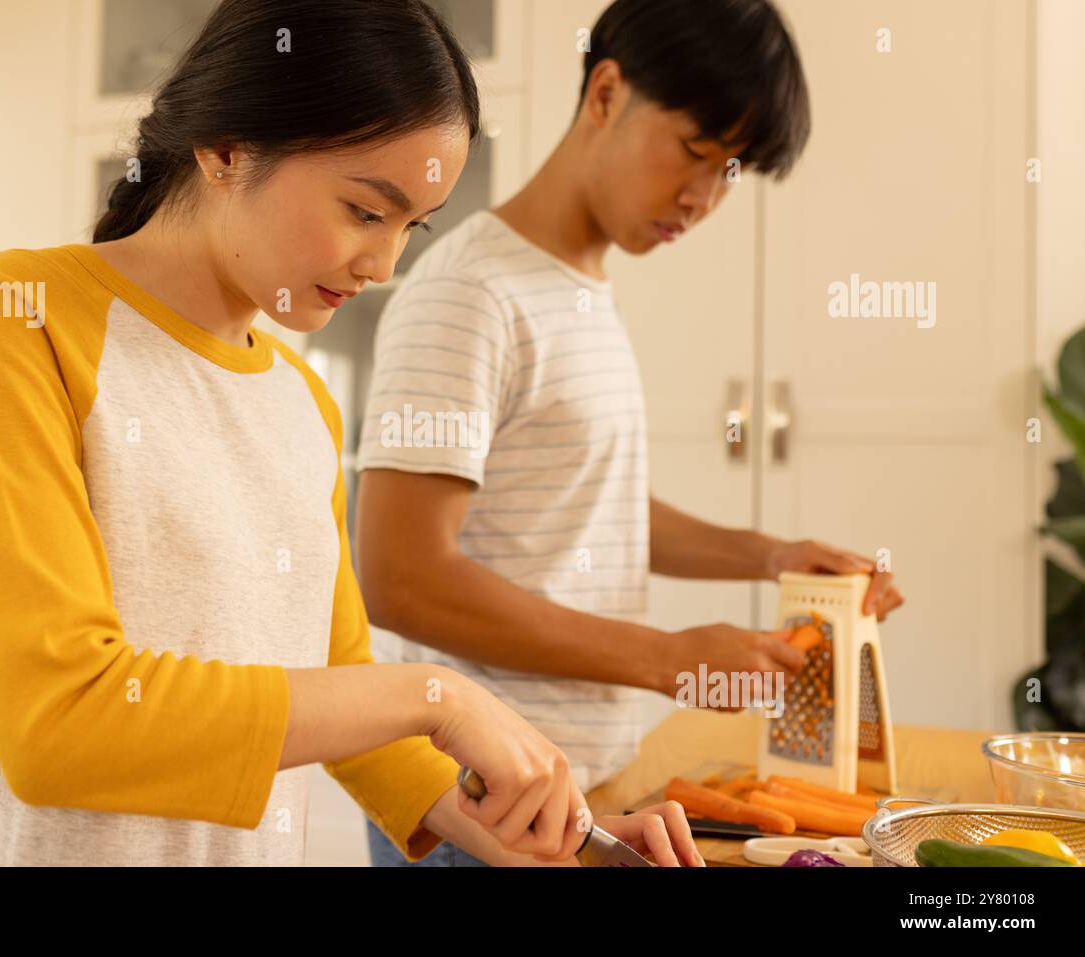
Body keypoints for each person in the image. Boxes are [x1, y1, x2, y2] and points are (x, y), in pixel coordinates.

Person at [0, 0, 701, 867]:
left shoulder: (303, 405)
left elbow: (353, 712)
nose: (386, 264)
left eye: (412, 226)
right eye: (367, 210)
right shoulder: (13, 318)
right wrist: (436, 694)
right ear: (224, 146)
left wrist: (573, 839)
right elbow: (57, 723)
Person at [355, 0, 903, 867]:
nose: (704, 196)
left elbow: (585, 506)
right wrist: (667, 659)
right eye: (694, 151)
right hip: (481, 810)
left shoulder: (579, 287)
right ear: (606, 91)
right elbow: (401, 576)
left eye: (730, 171)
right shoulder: (467, 295)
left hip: (582, 797)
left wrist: (771, 555)